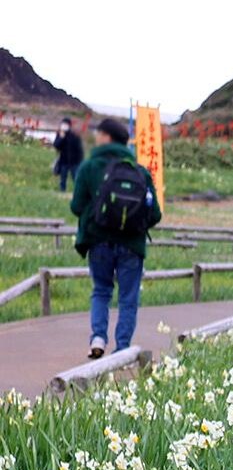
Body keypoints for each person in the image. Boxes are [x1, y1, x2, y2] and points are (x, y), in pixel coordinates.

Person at [69, 116, 160, 358]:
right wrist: (135, 225)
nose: (96, 138)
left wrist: (97, 216)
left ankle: (98, 338)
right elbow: (156, 213)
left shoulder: (89, 167)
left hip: (99, 242)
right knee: (128, 299)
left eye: (99, 134)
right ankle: (122, 350)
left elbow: (77, 206)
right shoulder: (139, 171)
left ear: (106, 137)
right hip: (132, 245)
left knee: (101, 291)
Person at [52, 117, 84, 192]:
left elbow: (79, 149)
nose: (64, 126)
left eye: (66, 124)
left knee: (75, 178)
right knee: (63, 178)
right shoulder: (59, 134)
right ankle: (62, 192)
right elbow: (56, 145)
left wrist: (80, 161)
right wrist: (61, 138)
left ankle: (78, 193)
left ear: (69, 126)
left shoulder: (74, 135)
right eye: (63, 124)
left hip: (74, 161)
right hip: (63, 161)